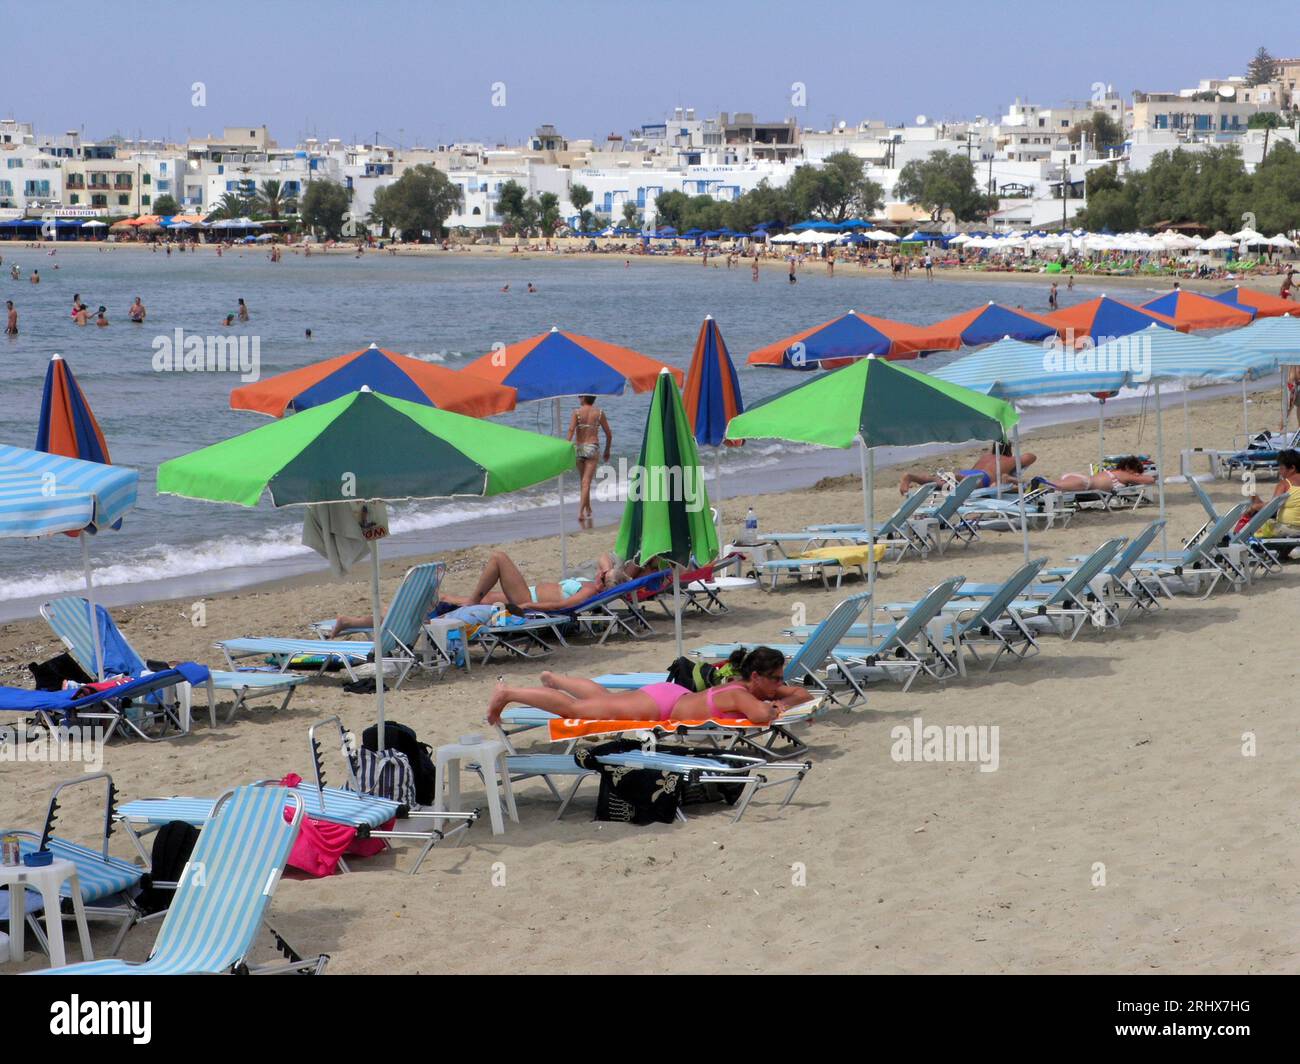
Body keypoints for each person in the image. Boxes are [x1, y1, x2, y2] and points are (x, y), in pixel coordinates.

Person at [486, 646, 812, 726]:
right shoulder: (743, 694)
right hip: (663, 706)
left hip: (671, 697)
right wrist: (777, 706)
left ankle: (554, 679)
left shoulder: (748, 687)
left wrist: (782, 700)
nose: (780, 684)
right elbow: (759, 716)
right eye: (776, 679)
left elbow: (804, 693)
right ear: (756, 677)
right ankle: (510, 693)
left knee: (605, 698)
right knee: (577, 710)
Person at [440, 549, 644, 611]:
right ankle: (442, 600)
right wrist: (608, 570)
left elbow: (563, 605)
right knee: (485, 599)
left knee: (499, 558)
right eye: (602, 572)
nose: (599, 572)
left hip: (528, 598)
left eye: (603, 575)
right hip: (529, 593)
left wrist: (529, 604)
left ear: (605, 585)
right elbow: (603, 556)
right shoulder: (593, 584)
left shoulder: (590, 591)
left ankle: (469, 601)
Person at [897, 442, 1036, 495]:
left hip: (968, 473)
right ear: (1009, 451)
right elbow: (1031, 457)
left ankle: (912, 476)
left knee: (939, 481)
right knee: (964, 482)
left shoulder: (985, 457)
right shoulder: (1009, 460)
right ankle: (953, 476)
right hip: (983, 477)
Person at [568, 394, 611, 523]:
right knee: (585, 482)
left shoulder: (576, 412)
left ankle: (584, 510)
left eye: (580, 396)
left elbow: (571, 430)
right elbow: (609, 434)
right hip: (592, 447)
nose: (578, 398)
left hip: (579, 448)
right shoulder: (599, 413)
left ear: (584, 398)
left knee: (583, 482)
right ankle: (585, 509)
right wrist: (607, 450)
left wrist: (565, 446)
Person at [1242, 449, 1300, 541]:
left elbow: (1271, 507)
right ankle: (1255, 498)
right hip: (1293, 526)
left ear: (1292, 468)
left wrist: (1253, 508)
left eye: (1281, 468)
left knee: (1251, 527)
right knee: (1260, 507)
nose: (1280, 472)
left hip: (1288, 529)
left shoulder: (1285, 484)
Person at [1031, 455, 1154, 493]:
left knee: (1055, 485)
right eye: (1136, 471)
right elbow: (1150, 480)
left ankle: (1032, 486)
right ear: (1128, 468)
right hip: (1085, 483)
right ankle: (1041, 484)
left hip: (1080, 478)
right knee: (1053, 487)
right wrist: (1138, 476)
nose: (1136, 474)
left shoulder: (1114, 471)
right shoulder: (1125, 474)